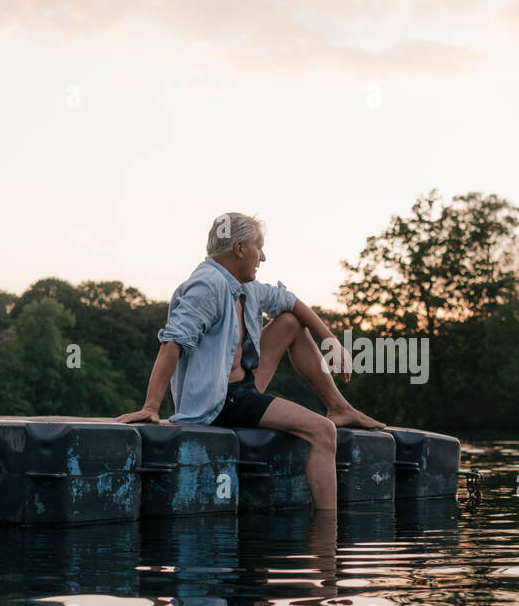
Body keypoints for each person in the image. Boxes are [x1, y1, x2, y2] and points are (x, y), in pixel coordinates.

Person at [117, 212, 383, 509]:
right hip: (219, 403)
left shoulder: (245, 287)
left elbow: (290, 301)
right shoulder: (206, 286)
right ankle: (326, 540)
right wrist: (151, 406)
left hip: (244, 386)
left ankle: (339, 407)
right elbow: (172, 344)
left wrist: (330, 339)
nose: (263, 256)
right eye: (259, 246)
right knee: (323, 432)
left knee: (289, 323)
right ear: (240, 248)